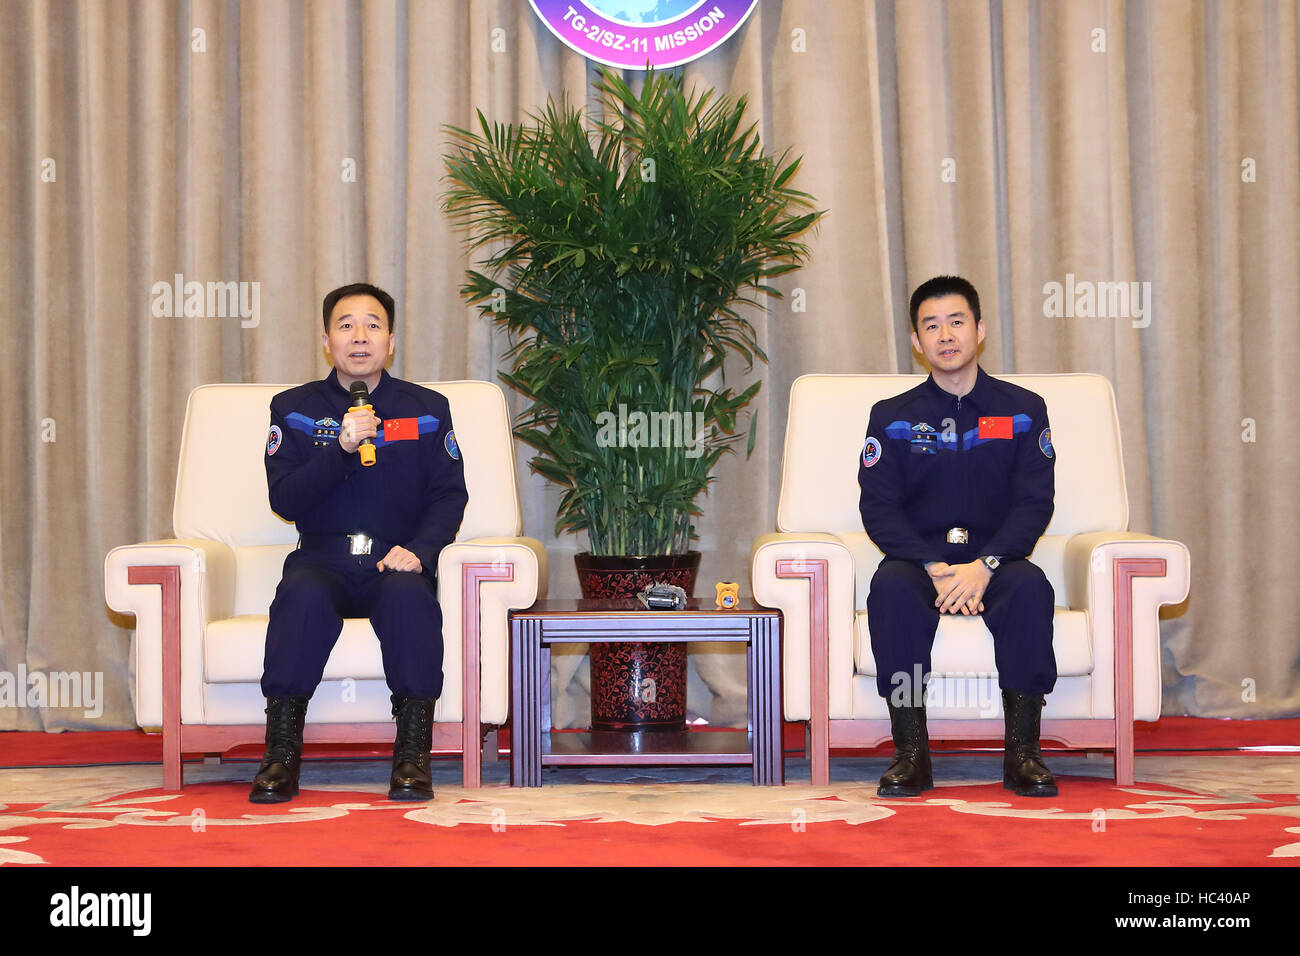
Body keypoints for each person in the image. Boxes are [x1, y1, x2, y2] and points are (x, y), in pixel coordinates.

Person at [251, 283, 468, 804]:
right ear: (327, 340)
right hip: (322, 558)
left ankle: (412, 758)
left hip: (395, 558)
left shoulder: (429, 408)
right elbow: (286, 500)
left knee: (411, 601)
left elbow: (449, 496)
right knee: (298, 598)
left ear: (390, 340)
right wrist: (340, 449)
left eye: (373, 324)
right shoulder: (294, 409)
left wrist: (421, 550)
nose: (360, 336)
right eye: (345, 325)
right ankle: (280, 757)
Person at [858, 275, 1058, 798]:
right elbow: (879, 508)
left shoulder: (1023, 409)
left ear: (980, 330)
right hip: (919, 561)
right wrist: (931, 564)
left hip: (998, 561)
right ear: (916, 342)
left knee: (1031, 587)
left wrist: (985, 564)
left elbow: (1034, 502)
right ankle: (912, 753)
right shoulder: (891, 417)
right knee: (891, 591)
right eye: (931, 325)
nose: (945, 335)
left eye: (956, 321)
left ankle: (1023, 753)